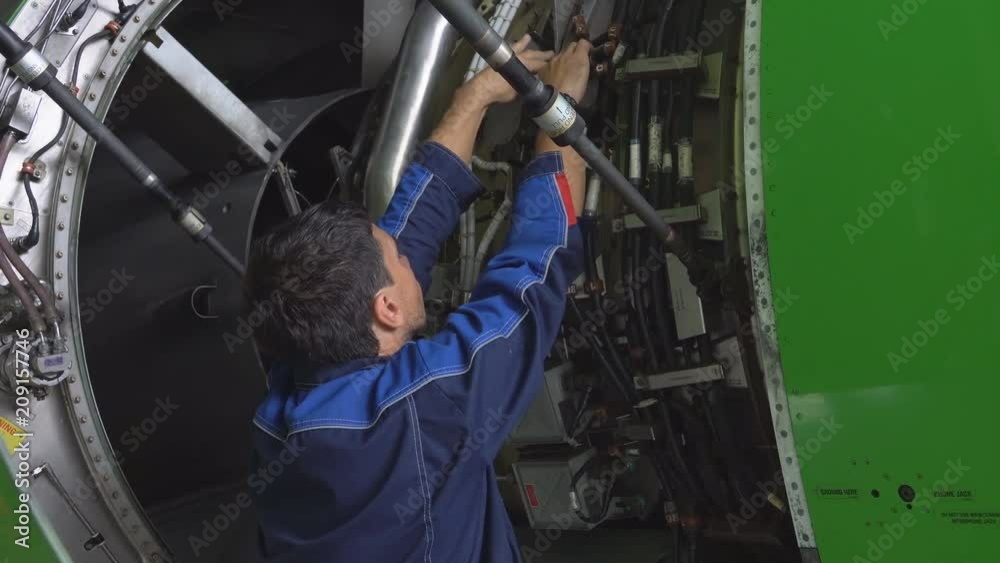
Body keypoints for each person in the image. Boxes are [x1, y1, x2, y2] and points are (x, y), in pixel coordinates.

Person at [244, 36, 592, 562]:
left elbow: (410, 230)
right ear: (384, 310)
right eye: (400, 261)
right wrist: (558, 105)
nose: (410, 258)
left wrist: (475, 97)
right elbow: (537, 265)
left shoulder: (282, 407)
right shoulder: (425, 409)